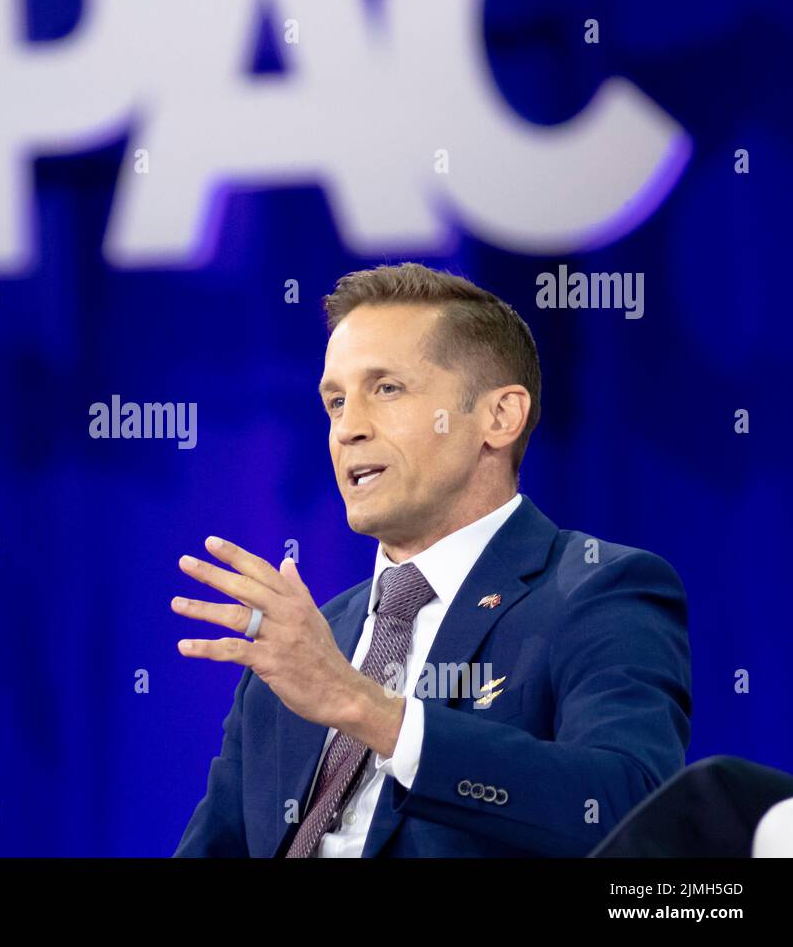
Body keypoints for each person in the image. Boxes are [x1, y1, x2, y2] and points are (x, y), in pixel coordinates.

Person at [170, 263, 691, 857]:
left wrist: (365, 707)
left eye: (386, 389)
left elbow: (630, 811)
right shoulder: (305, 649)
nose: (347, 429)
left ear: (499, 417)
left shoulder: (599, 590)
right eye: (335, 402)